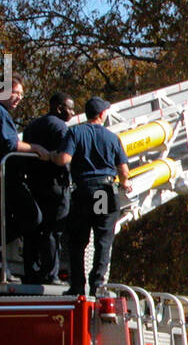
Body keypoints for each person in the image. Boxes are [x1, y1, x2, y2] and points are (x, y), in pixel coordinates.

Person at [57, 97, 133, 296]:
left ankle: (77, 285)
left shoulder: (75, 132)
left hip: (83, 191)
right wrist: (125, 182)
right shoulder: (112, 138)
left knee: (78, 241)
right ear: (101, 115)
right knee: (102, 239)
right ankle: (97, 284)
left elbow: (64, 159)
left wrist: (50, 156)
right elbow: (124, 170)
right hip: (103, 192)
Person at [0, 76, 49, 282]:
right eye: (16, 93)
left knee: (3, 219)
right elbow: (10, 144)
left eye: (21, 95)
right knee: (33, 217)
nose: (19, 98)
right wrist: (36, 148)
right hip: (5, 177)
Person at [22, 92, 76, 285]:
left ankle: (31, 271)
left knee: (35, 229)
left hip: (34, 185)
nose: (73, 112)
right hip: (56, 186)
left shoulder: (32, 127)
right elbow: (66, 159)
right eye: (70, 108)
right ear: (60, 108)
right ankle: (50, 274)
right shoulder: (61, 128)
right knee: (54, 231)